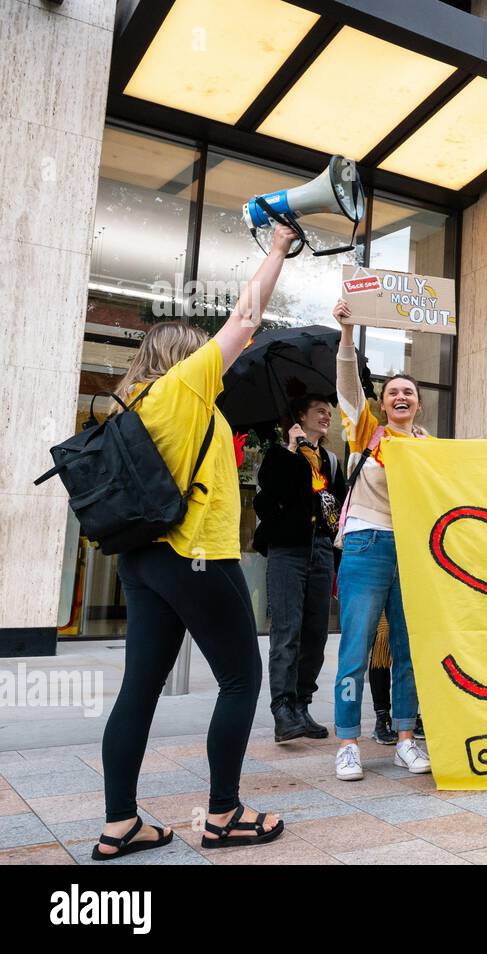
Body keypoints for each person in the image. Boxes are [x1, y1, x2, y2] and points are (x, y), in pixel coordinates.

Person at [92, 224, 300, 859]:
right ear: (186, 354)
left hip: (142, 557)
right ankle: (223, 815)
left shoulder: (136, 404)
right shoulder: (184, 387)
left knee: (138, 688)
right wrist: (278, 249)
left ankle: (119, 824)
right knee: (241, 678)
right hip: (197, 555)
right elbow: (245, 317)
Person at [330, 298, 431, 781]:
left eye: (408, 391)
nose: (401, 397)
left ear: (418, 402)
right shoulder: (366, 433)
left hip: (412, 553)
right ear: (383, 402)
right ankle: (348, 742)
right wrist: (347, 333)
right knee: (356, 647)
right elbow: (348, 386)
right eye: (393, 391)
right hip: (367, 544)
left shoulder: (430, 449)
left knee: (410, 649)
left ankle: (406, 739)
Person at [252, 395, 344, 743]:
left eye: (329, 412)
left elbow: (337, 505)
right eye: (319, 410)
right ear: (299, 416)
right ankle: (282, 709)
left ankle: (302, 704)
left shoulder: (330, 461)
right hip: (288, 551)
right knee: (287, 631)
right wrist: (292, 448)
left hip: (321, 550)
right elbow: (267, 496)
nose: (326, 415)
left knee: (315, 634)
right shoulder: (279, 455)